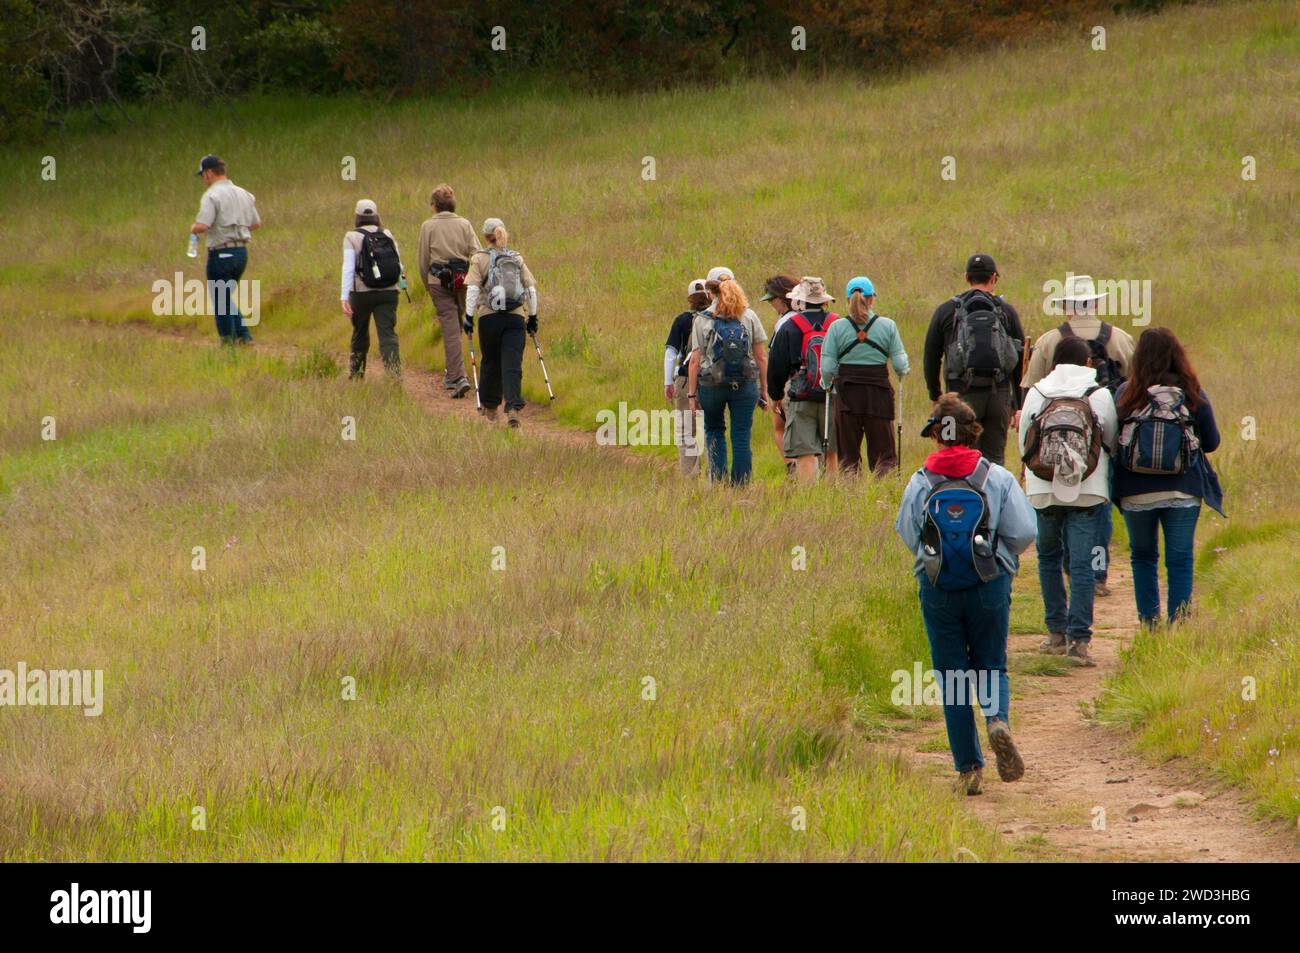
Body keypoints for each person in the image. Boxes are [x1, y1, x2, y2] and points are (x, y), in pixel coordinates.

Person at [895, 393, 1037, 795]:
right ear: (974, 432)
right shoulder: (995, 476)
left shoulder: (921, 480)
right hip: (989, 584)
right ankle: (996, 719)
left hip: (938, 587)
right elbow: (1025, 532)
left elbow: (908, 533)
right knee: (992, 664)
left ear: (937, 435)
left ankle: (969, 770)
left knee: (953, 676)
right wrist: (1000, 559)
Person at [1019, 273, 1137, 597]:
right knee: (1098, 504)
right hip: (1101, 438)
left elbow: (1030, 392)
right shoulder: (1121, 339)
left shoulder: (1048, 341)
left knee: (1056, 509)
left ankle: (1067, 567)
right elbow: (1134, 389)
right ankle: (1096, 571)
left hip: (1052, 446)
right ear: (1095, 303)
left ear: (1067, 306)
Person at [1112, 327, 1224, 627]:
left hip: (1135, 493)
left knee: (1143, 557)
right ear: (1178, 355)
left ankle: (1149, 624)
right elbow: (1212, 442)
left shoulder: (1126, 393)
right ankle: (1179, 624)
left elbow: (1111, 443)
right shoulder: (1192, 393)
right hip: (1182, 491)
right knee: (1180, 559)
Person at [1017, 337, 1118, 666]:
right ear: (1087, 362)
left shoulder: (1038, 392)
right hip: (1087, 488)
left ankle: (1056, 635)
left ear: (1053, 363)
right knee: (1082, 564)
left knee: (1048, 559)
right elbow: (1111, 440)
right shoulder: (1098, 394)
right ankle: (1080, 642)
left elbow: (1023, 445)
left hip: (1044, 487)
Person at [922, 254, 1025, 465]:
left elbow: (931, 356)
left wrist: (936, 395)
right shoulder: (1006, 311)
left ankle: (962, 495)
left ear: (966, 277)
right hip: (999, 395)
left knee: (957, 454)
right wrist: (1019, 403)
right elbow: (1021, 357)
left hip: (959, 397)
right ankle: (992, 496)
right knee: (995, 459)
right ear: (994, 278)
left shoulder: (946, 311)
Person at [820, 276, 909, 476]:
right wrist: (903, 372)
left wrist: (826, 385)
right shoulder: (887, 326)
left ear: (847, 300)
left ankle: (850, 496)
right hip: (878, 395)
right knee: (883, 454)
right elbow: (900, 365)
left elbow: (826, 367)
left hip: (847, 395)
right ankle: (885, 493)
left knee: (848, 456)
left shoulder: (836, 328)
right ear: (871, 299)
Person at [686, 270, 768, 485]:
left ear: (711, 294)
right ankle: (741, 486)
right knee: (741, 436)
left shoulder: (702, 319)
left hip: (711, 384)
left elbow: (695, 361)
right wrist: (764, 389)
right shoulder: (749, 316)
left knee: (714, 431)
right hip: (745, 383)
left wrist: (692, 394)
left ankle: (718, 482)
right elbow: (761, 357)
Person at [463, 218, 538, 428]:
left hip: (489, 317)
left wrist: (468, 317)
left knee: (491, 361)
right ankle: (513, 407)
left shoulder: (479, 259)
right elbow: (531, 289)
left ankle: (490, 407)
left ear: (486, 236)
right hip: (515, 318)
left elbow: (473, 289)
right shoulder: (516, 257)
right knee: (512, 363)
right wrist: (532, 317)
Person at [765, 277, 840, 483]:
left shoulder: (790, 326)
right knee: (832, 450)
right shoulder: (838, 323)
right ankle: (832, 495)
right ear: (824, 301)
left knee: (805, 452)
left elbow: (776, 365)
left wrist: (776, 394)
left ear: (799, 301)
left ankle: (810, 497)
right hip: (832, 396)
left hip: (801, 396)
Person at [418, 184, 481, 397]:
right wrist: (474, 279)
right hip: (462, 280)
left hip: (438, 281)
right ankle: (453, 373)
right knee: (457, 325)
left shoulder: (428, 226)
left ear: (434, 206)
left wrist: (428, 285)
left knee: (450, 328)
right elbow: (478, 254)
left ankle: (458, 377)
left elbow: (423, 260)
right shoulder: (464, 224)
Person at [190, 154, 260, 344]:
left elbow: (203, 225)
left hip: (221, 253)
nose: (203, 180)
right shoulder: (244, 193)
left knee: (221, 300)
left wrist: (194, 228)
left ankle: (228, 342)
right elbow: (255, 223)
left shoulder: (212, 195)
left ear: (209, 173)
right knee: (226, 297)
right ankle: (244, 337)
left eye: (203, 175)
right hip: (241, 253)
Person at [340, 200, 405, 379]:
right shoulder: (387, 234)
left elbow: (348, 268)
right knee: (388, 334)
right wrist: (401, 283)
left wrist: (344, 296)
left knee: (360, 332)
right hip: (389, 291)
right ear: (376, 215)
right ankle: (394, 375)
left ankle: (357, 375)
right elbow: (398, 263)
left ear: (357, 216)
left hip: (361, 294)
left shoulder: (351, 237)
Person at [664, 279, 709, 476]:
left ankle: (689, 478)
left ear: (689, 298)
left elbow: (671, 353)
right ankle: (713, 475)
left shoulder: (682, 320)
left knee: (686, 433)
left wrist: (668, 382)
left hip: (684, 379)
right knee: (710, 429)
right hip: (711, 378)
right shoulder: (717, 317)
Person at [760, 275, 799, 467]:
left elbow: (777, 360)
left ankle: (792, 466)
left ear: (782, 298)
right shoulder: (808, 317)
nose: (771, 305)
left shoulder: (784, 323)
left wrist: (774, 393)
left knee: (780, 427)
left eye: (772, 300)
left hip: (789, 383)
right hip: (816, 382)